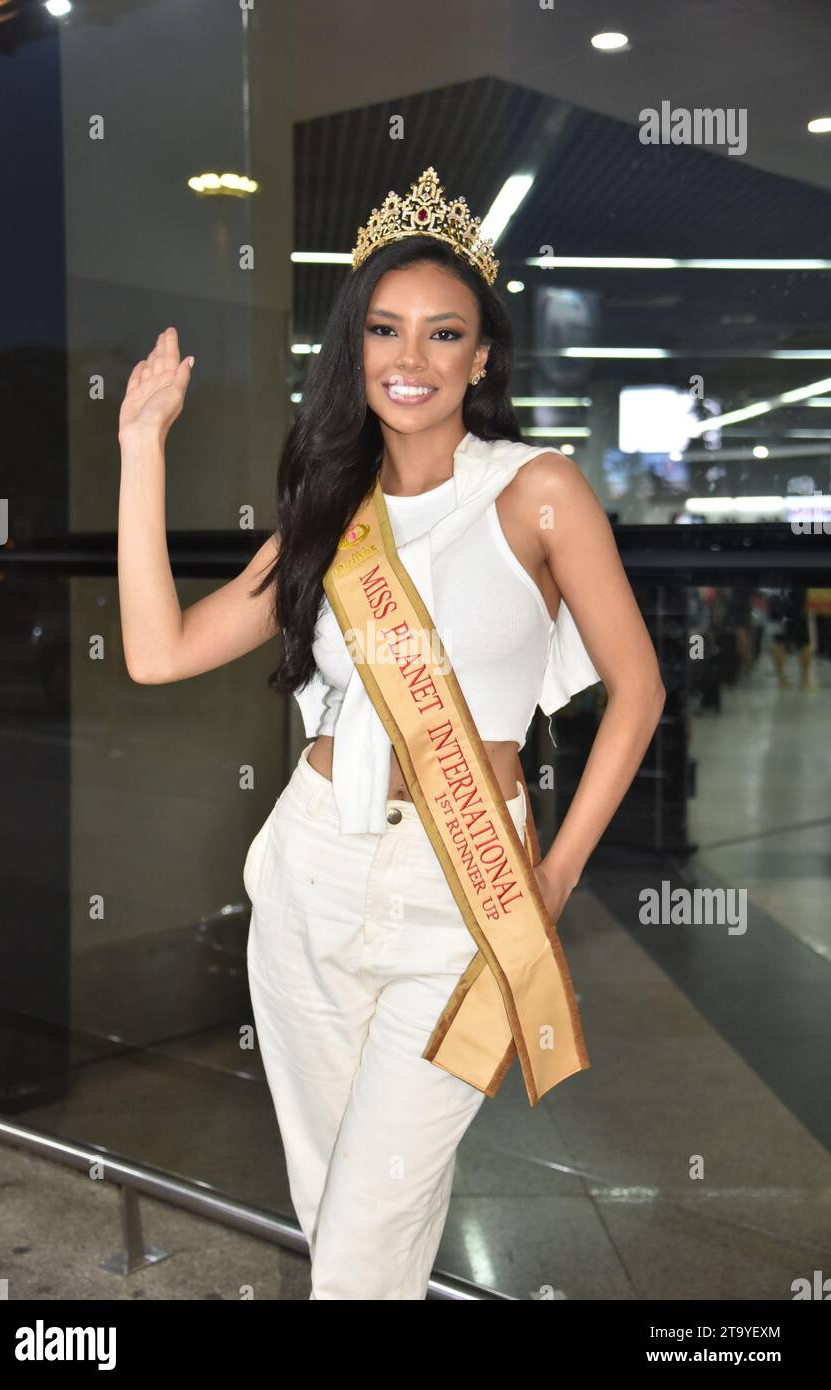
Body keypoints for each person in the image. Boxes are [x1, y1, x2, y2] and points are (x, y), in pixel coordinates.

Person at [116, 167, 666, 1300]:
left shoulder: (538, 491)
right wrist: (140, 448)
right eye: (382, 328)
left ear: (481, 357)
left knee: (364, 1238)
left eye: (441, 332)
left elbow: (639, 688)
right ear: (355, 348)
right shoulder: (330, 509)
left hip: (459, 896)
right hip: (312, 873)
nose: (407, 356)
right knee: (343, 1224)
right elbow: (157, 649)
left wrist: (551, 881)